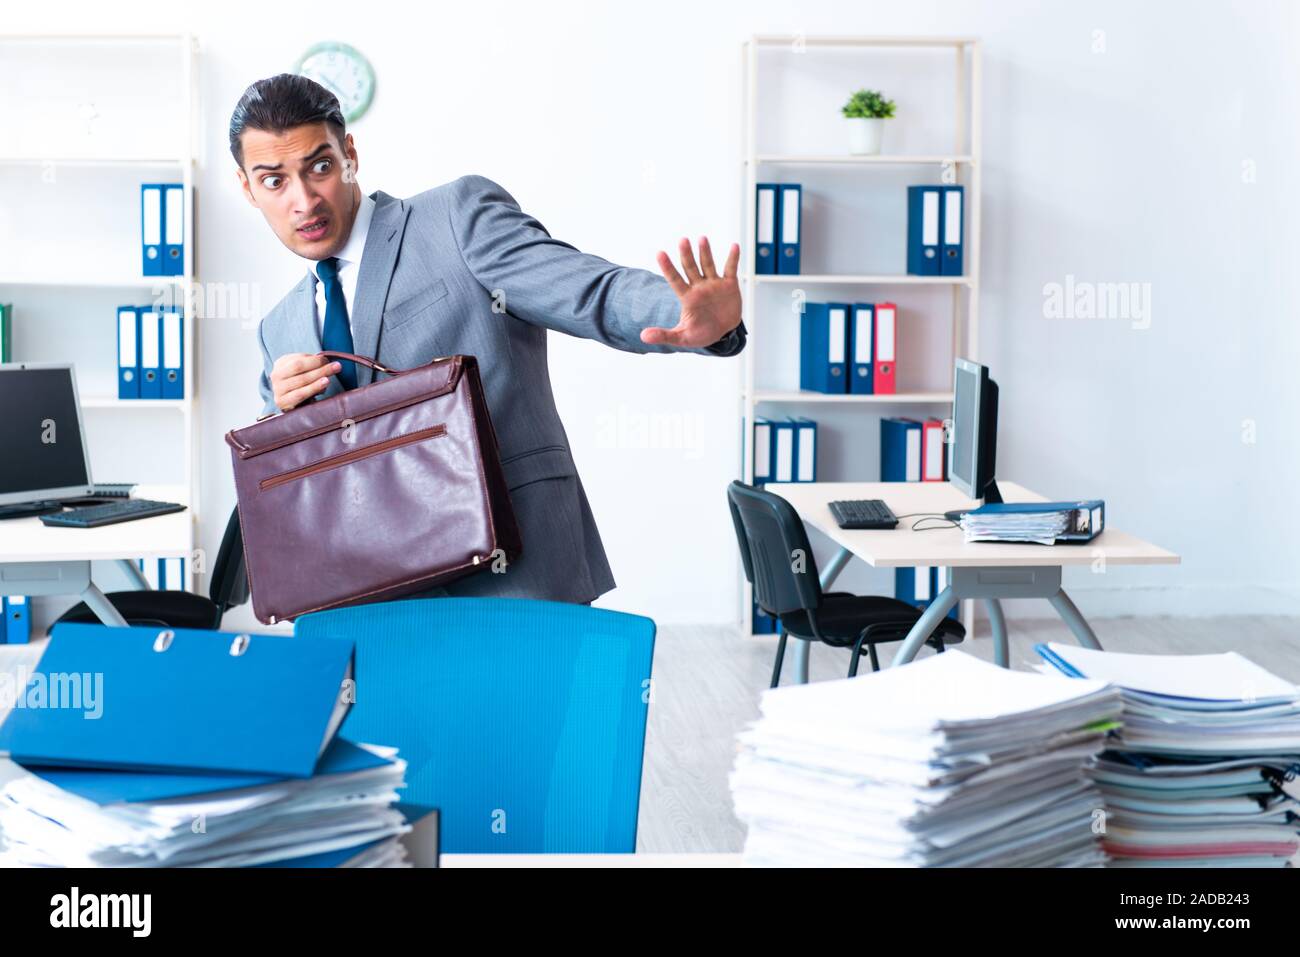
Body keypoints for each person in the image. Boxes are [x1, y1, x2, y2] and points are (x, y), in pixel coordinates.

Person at [230, 74, 746, 604]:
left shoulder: (453, 219)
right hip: (367, 606)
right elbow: (294, 487)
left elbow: (585, 288)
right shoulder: (279, 327)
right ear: (248, 188)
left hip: (509, 578)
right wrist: (281, 415)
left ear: (349, 154)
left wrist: (684, 315)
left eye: (320, 167)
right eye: (274, 181)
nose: (304, 200)